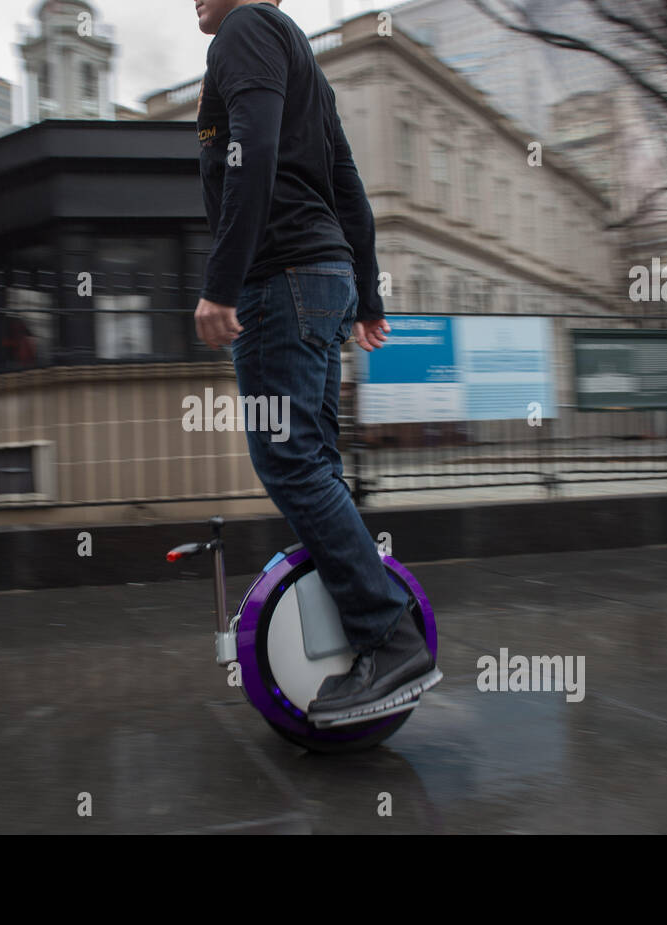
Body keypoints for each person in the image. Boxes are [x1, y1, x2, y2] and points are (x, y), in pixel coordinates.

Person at [191, 0, 440, 719]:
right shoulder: (297, 53)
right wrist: (364, 293)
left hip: (282, 278)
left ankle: (387, 637)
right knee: (313, 460)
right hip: (319, 277)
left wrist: (222, 281)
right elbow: (348, 187)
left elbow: (256, 153)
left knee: (289, 458)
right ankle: (370, 629)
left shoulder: (246, 30)